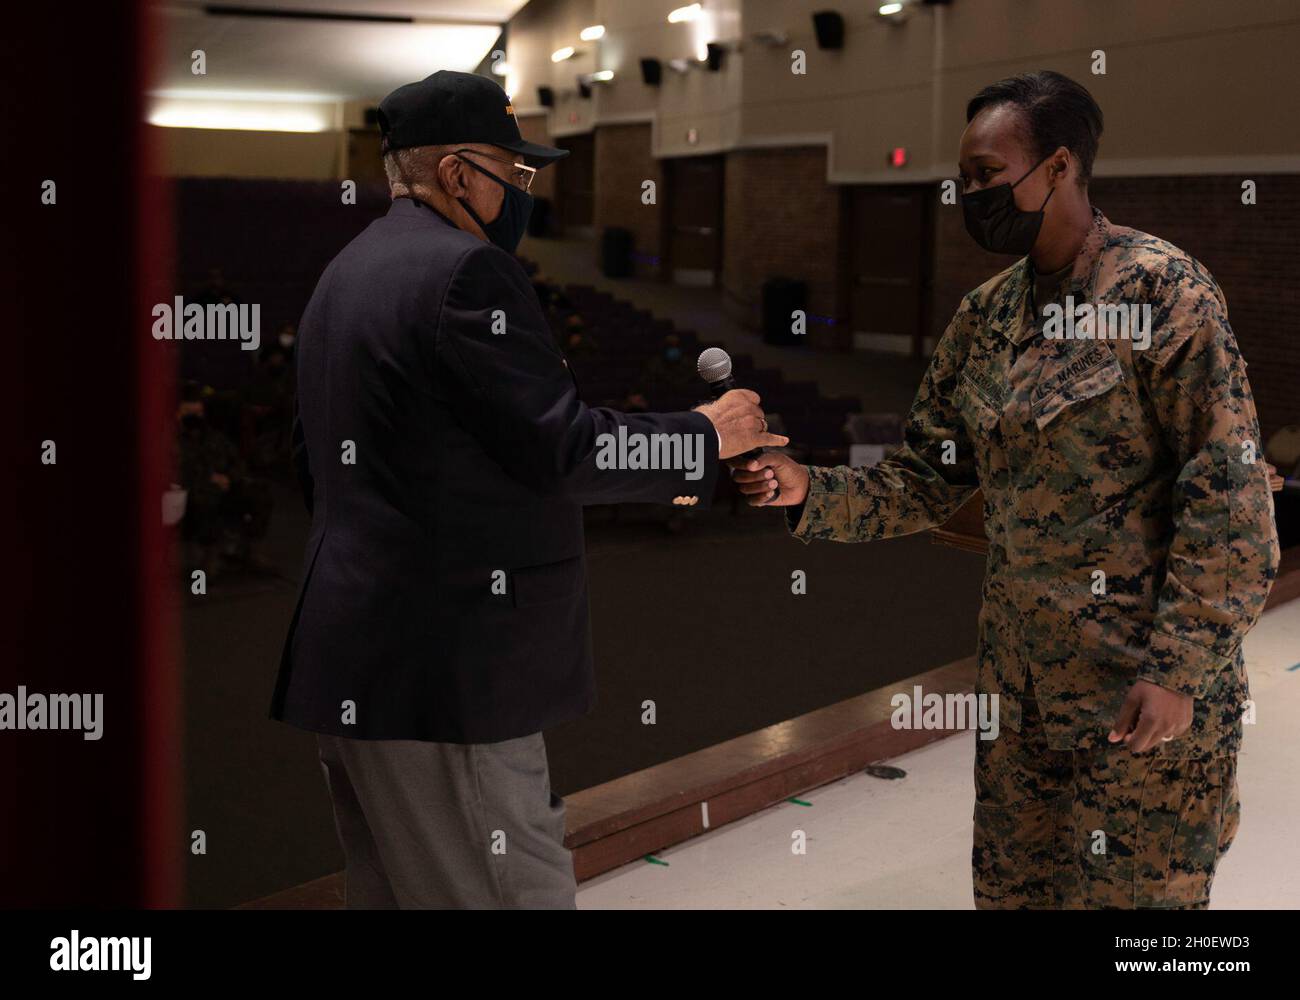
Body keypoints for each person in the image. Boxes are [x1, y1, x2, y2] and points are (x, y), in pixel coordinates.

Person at [733, 71, 1279, 909]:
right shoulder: (987, 315)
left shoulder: (1163, 292)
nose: (972, 193)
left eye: (989, 174)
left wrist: (1178, 670)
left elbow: (1232, 502)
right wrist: (808, 490)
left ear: (1058, 167)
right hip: (1021, 702)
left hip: (1140, 704)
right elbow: (924, 477)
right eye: (966, 179)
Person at [269, 70, 785, 909]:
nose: (521, 191)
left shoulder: (348, 271)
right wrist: (707, 435)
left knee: (399, 894)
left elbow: (316, 459)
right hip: (448, 669)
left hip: (356, 650)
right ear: (458, 173)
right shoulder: (467, 274)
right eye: (514, 172)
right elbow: (563, 451)